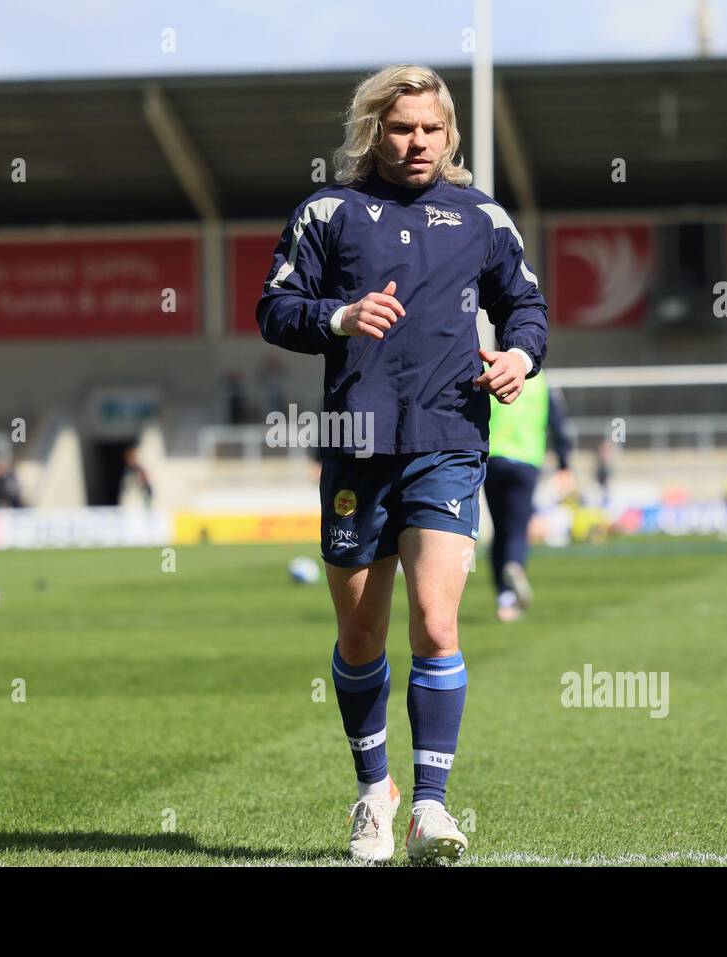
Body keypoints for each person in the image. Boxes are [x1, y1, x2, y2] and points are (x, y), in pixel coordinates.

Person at [256, 64, 548, 863]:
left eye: (430, 128)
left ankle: (429, 806)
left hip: (449, 439)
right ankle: (372, 793)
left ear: (449, 133)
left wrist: (521, 354)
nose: (416, 141)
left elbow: (526, 306)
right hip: (357, 442)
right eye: (400, 127)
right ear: (373, 131)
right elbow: (275, 309)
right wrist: (340, 315)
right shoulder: (329, 212)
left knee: (436, 620)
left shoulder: (483, 216)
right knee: (359, 634)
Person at [484, 375, 571, 622]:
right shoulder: (541, 381)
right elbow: (558, 423)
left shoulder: (491, 371)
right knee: (517, 530)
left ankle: (503, 598)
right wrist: (564, 463)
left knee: (500, 529)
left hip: (494, 457)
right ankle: (514, 566)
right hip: (526, 460)